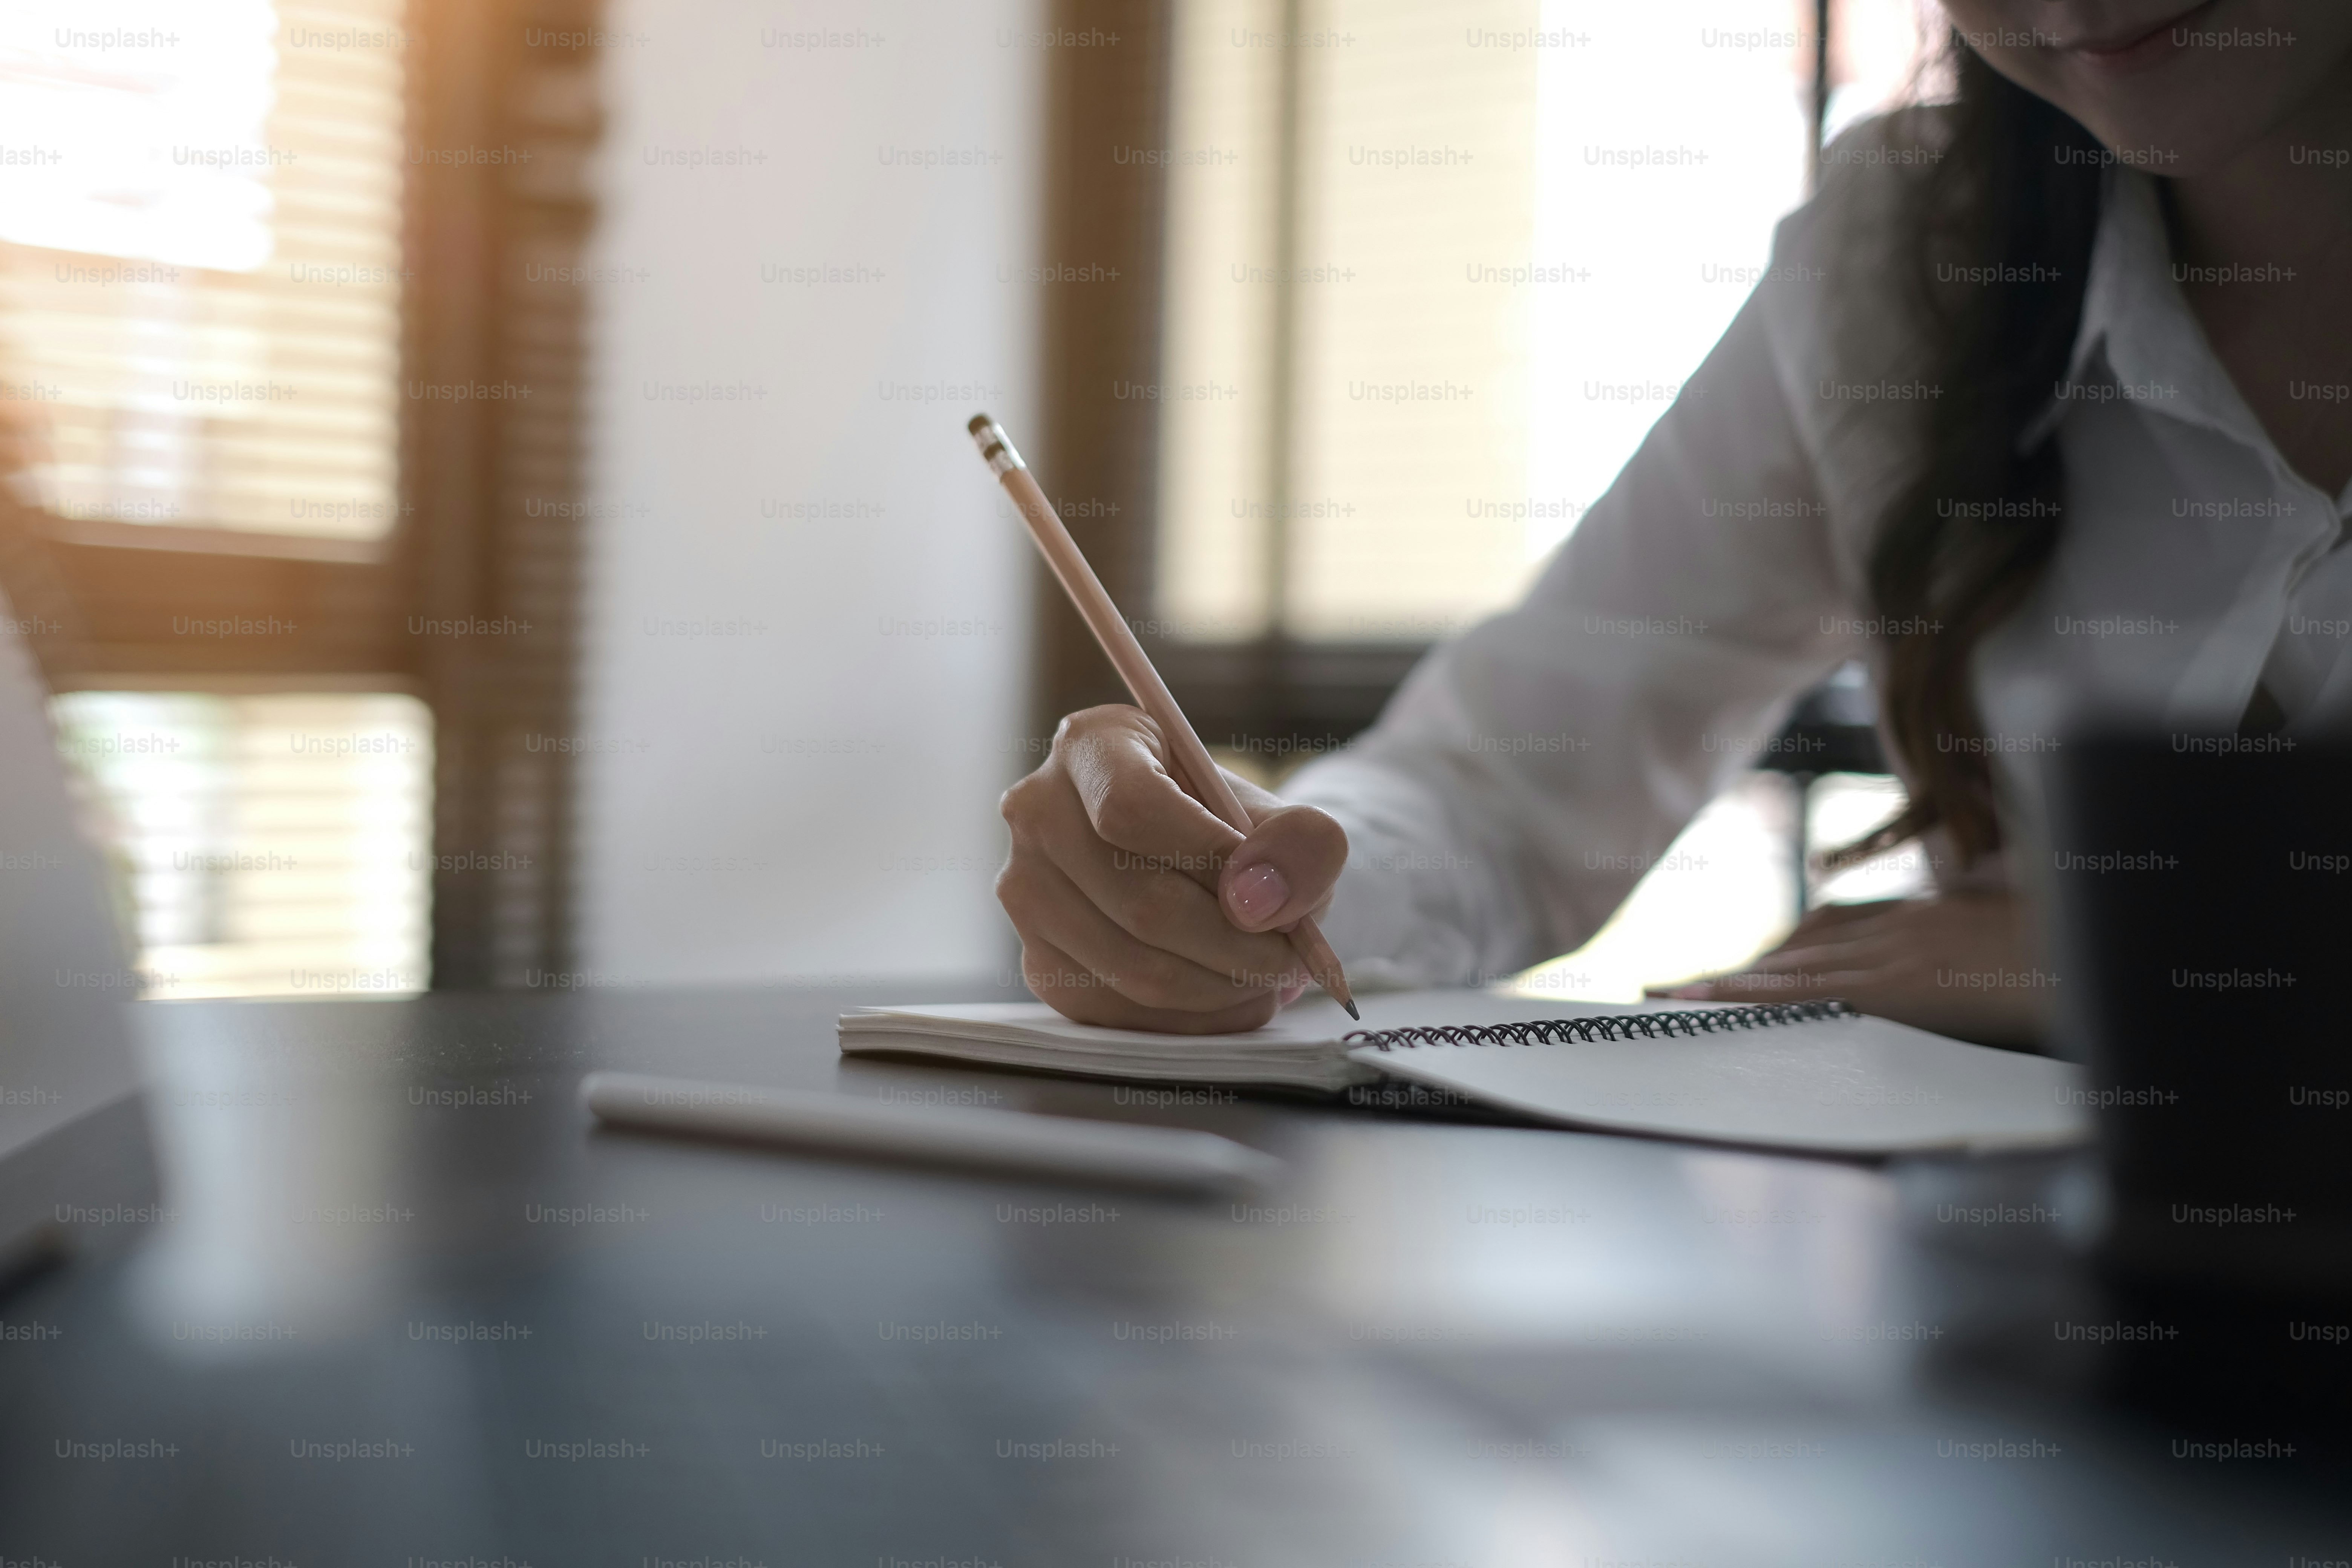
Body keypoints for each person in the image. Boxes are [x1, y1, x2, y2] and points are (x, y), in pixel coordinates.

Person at [995, 0, 2352, 1047]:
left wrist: (2144, 957)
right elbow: (1507, 786)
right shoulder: (1906, 265)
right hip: (2026, 1348)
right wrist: (1253, 880)